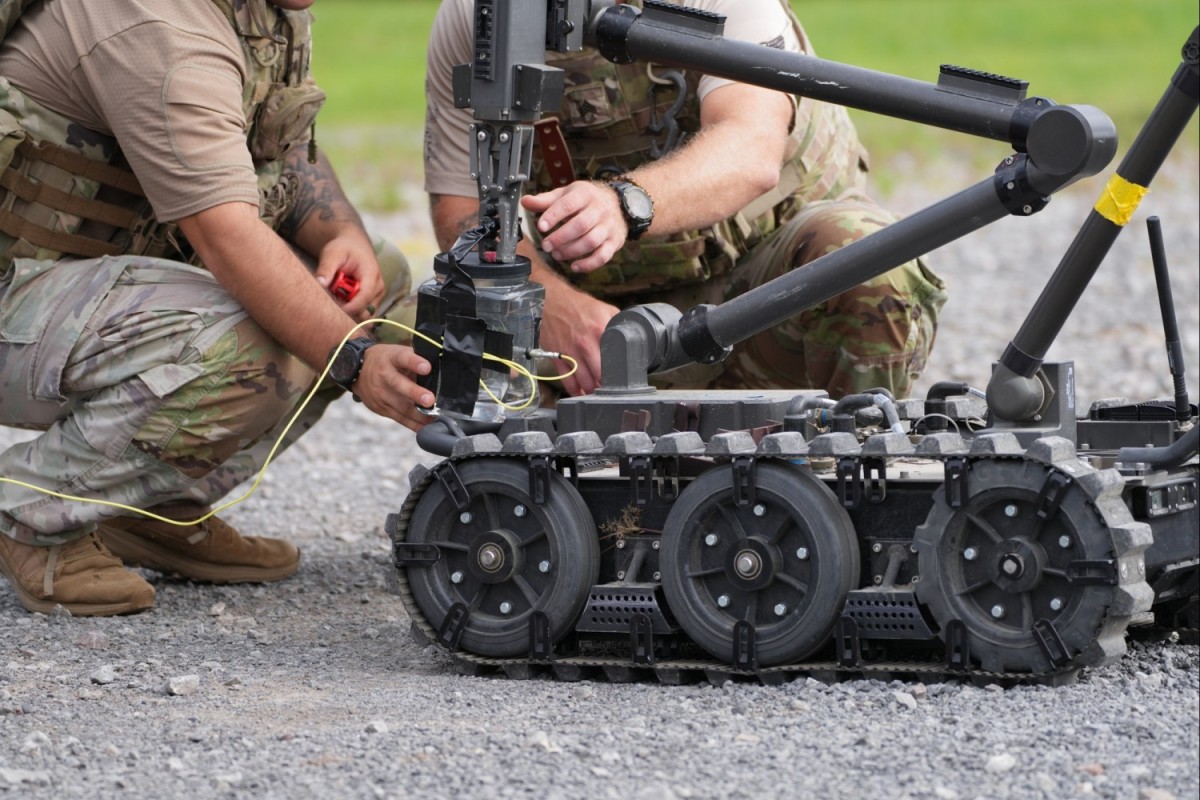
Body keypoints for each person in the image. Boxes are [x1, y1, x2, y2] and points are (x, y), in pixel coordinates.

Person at [0, 0, 434, 616]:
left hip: (92, 284)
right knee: (250, 338)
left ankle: (148, 504)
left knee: (377, 286)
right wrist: (356, 361)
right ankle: (32, 512)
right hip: (15, 289)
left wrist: (343, 233)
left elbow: (281, 139)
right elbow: (227, 237)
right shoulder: (158, 23)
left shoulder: (269, 7)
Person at [424, 0, 947, 400]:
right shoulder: (481, 16)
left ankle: (845, 476)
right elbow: (461, 211)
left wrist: (623, 203)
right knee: (420, 335)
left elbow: (751, 146)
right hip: (603, 331)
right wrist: (560, 310)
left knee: (867, 260)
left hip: (764, 302)